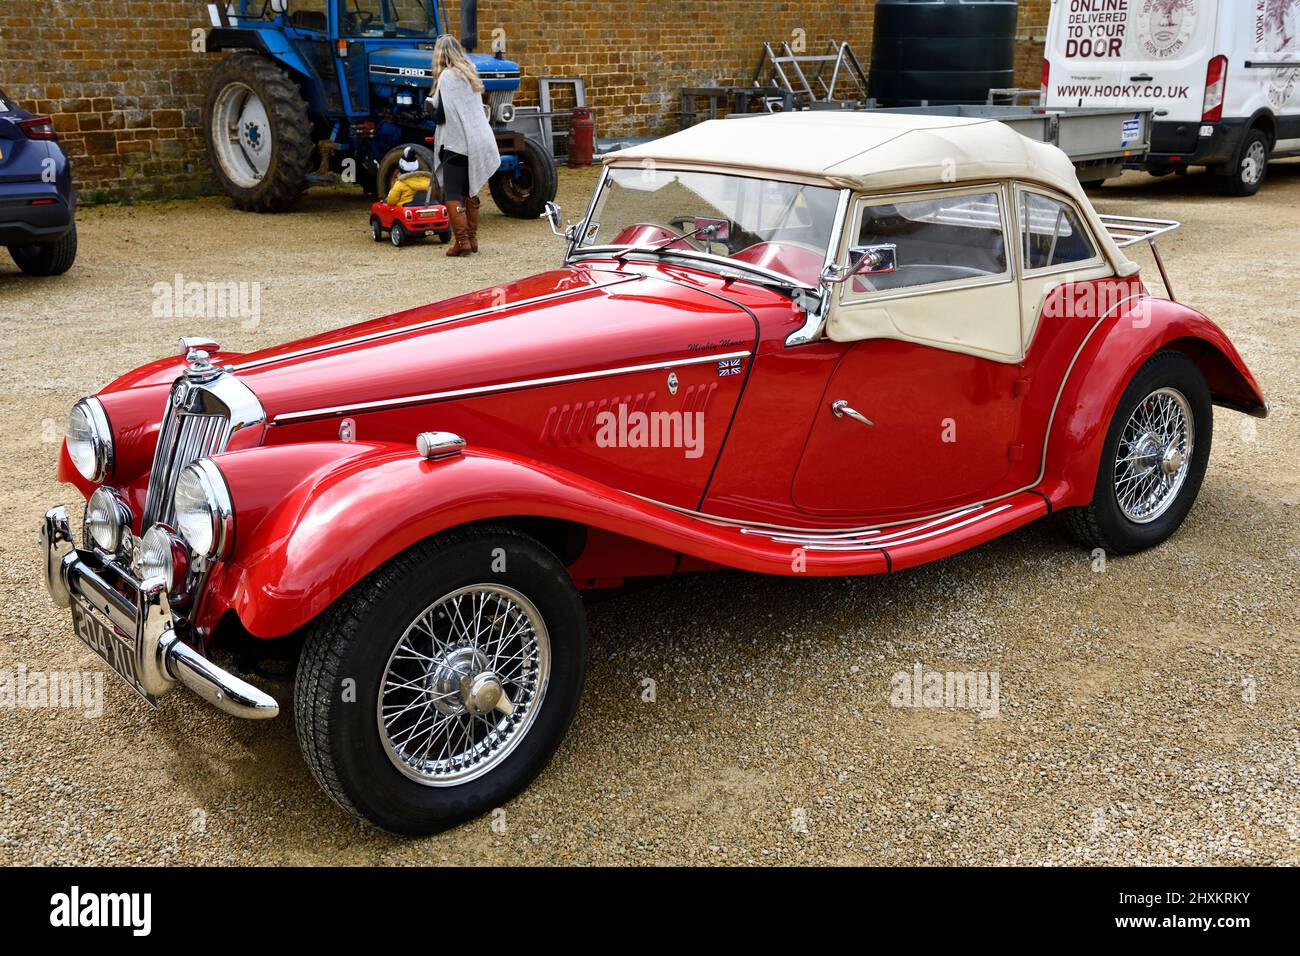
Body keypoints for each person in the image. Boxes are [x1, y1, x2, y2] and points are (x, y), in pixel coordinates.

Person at [426, 34, 500, 256]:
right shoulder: (470, 72)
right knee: (470, 191)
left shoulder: (447, 77)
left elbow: (440, 115)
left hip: (458, 142)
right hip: (480, 138)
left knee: (453, 194)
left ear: (440, 55)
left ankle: (462, 242)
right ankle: (473, 240)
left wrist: (428, 107)